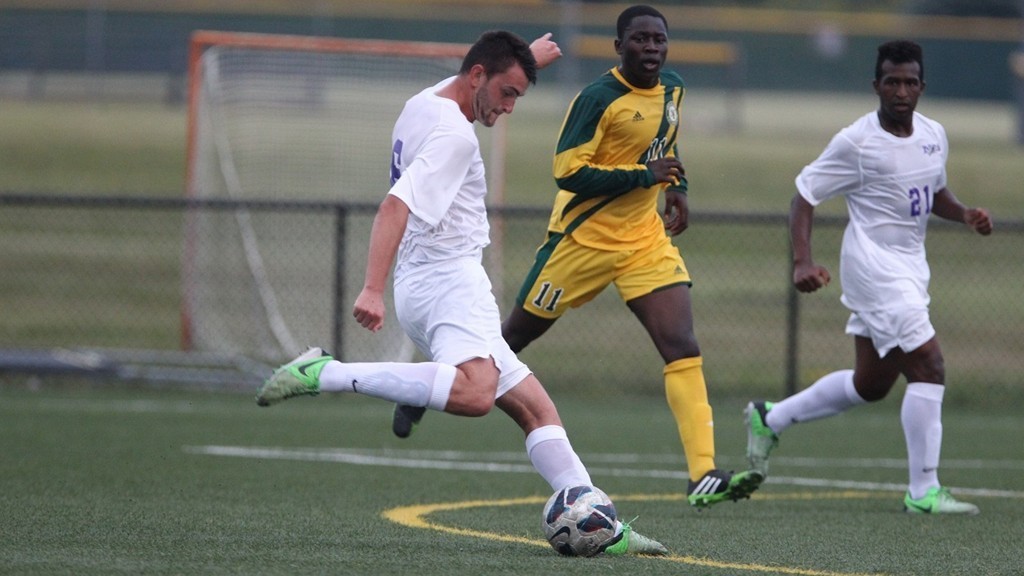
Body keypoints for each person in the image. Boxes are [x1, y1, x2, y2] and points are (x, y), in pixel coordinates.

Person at [256, 30, 667, 555]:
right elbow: (393, 207)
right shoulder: (456, 138)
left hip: (429, 282)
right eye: (507, 93)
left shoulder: (427, 100)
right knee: (475, 395)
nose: (509, 107)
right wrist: (371, 289)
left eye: (516, 95)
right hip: (448, 282)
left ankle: (602, 527)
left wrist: (522, 61)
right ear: (477, 77)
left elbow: (480, 73)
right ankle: (326, 373)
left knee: (536, 410)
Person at [397, 5, 763, 509]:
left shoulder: (673, 89)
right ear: (619, 47)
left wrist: (676, 187)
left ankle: (703, 474)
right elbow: (567, 172)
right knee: (509, 340)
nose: (651, 48)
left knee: (681, 343)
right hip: (581, 241)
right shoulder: (597, 99)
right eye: (640, 39)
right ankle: (425, 387)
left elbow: (665, 146)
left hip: (644, 240)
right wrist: (645, 176)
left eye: (659, 40)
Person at [745, 40, 993, 515]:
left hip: (911, 269)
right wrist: (802, 261)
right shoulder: (856, 142)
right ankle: (924, 492)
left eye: (910, 82)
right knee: (929, 366)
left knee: (871, 384)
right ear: (876, 85)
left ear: (922, 86)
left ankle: (769, 419)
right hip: (873, 270)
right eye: (892, 82)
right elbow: (804, 195)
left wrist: (964, 213)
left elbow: (933, 191)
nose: (901, 91)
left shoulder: (934, 134)